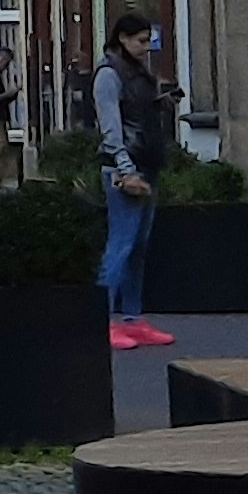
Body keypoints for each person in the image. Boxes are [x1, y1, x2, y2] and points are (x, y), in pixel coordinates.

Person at [94, 16, 183, 321]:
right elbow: (111, 127)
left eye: (149, 41)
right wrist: (124, 168)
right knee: (122, 243)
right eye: (141, 41)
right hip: (126, 165)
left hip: (145, 161)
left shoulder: (137, 73)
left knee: (138, 245)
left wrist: (159, 103)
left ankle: (131, 316)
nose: (146, 48)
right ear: (122, 38)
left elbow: (133, 114)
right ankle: (103, 317)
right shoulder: (109, 74)